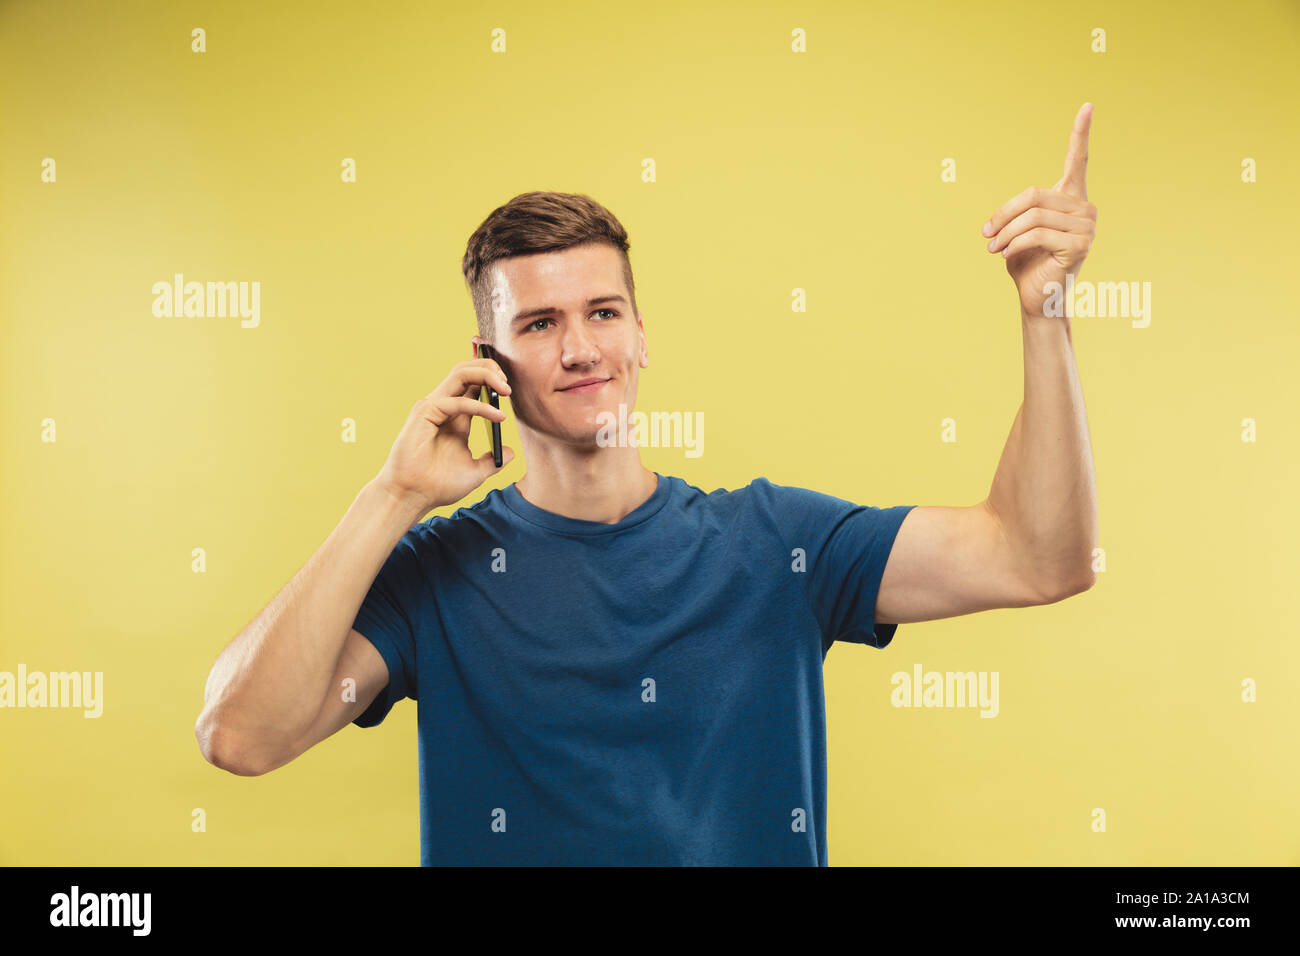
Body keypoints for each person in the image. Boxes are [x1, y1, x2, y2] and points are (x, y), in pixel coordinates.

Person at [196, 106, 1099, 865]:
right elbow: (241, 737)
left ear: (640, 333)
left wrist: (1046, 316)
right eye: (541, 323)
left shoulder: (774, 542)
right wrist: (391, 496)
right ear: (489, 362)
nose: (582, 348)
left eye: (603, 312)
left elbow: (1038, 557)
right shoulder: (439, 575)